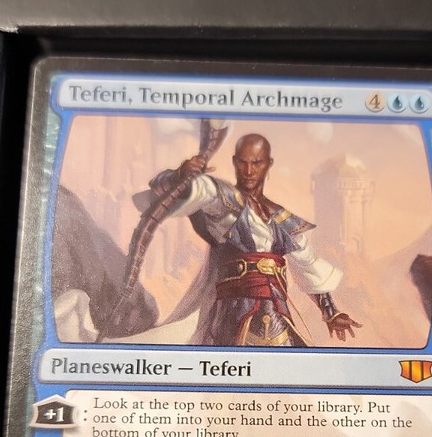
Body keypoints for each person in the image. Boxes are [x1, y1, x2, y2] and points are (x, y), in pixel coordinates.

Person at [149, 133, 361, 347]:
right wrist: (181, 175)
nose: (249, 171)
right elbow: (178, 188)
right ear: (235, 162)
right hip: (232, 319)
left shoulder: (281, 218)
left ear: (268, 164)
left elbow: (307, 264)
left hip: (278, 319)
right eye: (243, 162)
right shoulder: (222, 201)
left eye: (256, 163)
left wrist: (331, 313)